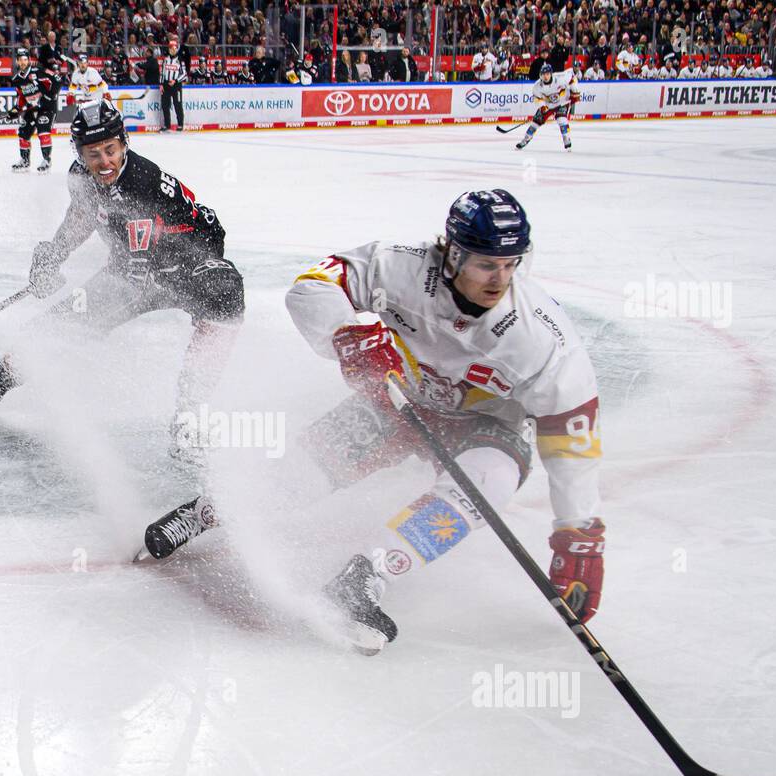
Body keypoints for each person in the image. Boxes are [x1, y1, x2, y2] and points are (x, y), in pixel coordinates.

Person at [140, 189, 604, 653]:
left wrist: (577, 534)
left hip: (487, 427)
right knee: (300, 477)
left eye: (510, 264)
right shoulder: (401, 266)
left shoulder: (543, 338)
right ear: (454, 253)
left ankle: (364, 576)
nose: (499, 278)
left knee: (486, 487)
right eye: (486, 264)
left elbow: (572, 441)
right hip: (399, 398)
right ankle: (205, 511)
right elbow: (311, 286)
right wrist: (348, 335)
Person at [0, 101, 245, 469]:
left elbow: (141, 263)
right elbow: (82, 218)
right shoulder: (82, 176)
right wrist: (54, 254)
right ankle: (1, 379)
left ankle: (190, 417)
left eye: (110, 150)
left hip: (191, 261)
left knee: (225, 295)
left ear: (124, 144)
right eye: (94, 154)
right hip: (136, 264)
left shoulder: (142, 180)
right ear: (80, 154)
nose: (104, 161)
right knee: (66, 320)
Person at [8, 47, 55, 172]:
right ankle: (24, 161)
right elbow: (21, 97)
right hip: (31, 108)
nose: (23, 62)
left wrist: (48, 96)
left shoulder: (38, 71)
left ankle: (46, 160)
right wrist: (15, 109)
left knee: (43, 130)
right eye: (20, 60)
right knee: (23, 132)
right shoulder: (16, 79)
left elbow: (55, 81)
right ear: (17, 61)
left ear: (29, 60)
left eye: (25, 59)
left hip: (46, 107)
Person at [516, 63, 579, 151]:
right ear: (540, 75)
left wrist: (575, 90)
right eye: (543, 74)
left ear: (551, 73)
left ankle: (566, 138)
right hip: (548, 105)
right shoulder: (537, 86)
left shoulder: (560, 77)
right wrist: (542, 106)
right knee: (535, 123)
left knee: (561, 119)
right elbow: (537, 98)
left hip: (562, 102)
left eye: (547, 74)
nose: (546, 76)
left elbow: (572, 76)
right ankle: (526, 139)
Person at [159, 35, 187, 131]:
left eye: (174, 48)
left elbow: (184, 74)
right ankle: (167, 125)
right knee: (165, 105)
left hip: (176, 86)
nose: (172, 50)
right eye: (171, 48)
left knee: (177, 105)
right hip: (166, 85)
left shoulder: (180, 60)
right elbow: (162, 73)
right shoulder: (165, 60)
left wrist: (175, 81)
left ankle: (180, 124)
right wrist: (161, 84)